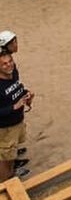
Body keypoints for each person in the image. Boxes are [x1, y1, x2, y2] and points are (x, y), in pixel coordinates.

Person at [0, 45, 33, 183]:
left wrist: (26, 94)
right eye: (4, 64)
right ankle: (5, 183)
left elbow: (17, 89)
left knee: (11, 155)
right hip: (5, 129)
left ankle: (12, 173)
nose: (9, 65)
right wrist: (14, 107)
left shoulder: (13, 74)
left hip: (17, 122)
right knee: (4, 159)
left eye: (10, 61)